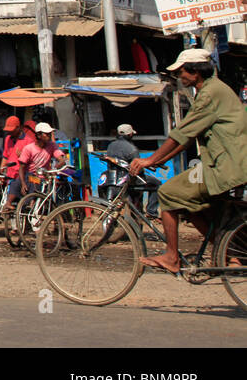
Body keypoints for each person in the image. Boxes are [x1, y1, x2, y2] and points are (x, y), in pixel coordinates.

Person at [129, 48, 247, 274]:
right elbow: (187, 138)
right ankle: (230, 255)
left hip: (225, 167)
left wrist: (149, 159)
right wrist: (160, 159)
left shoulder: (209, 94)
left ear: (195, 72)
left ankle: (171, 257)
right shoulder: (215, 90)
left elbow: (181, 134)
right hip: (229, 163)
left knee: (167, 193)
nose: (179, 77)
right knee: (188, 205)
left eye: (181, 72)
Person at [105, 123, 159, 217]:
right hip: (130, 179)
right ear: (130, 134)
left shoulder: (110, 145)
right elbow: (137, 168)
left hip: (115, 177)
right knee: (157, 184)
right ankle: (151, 212)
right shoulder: (131, 148)